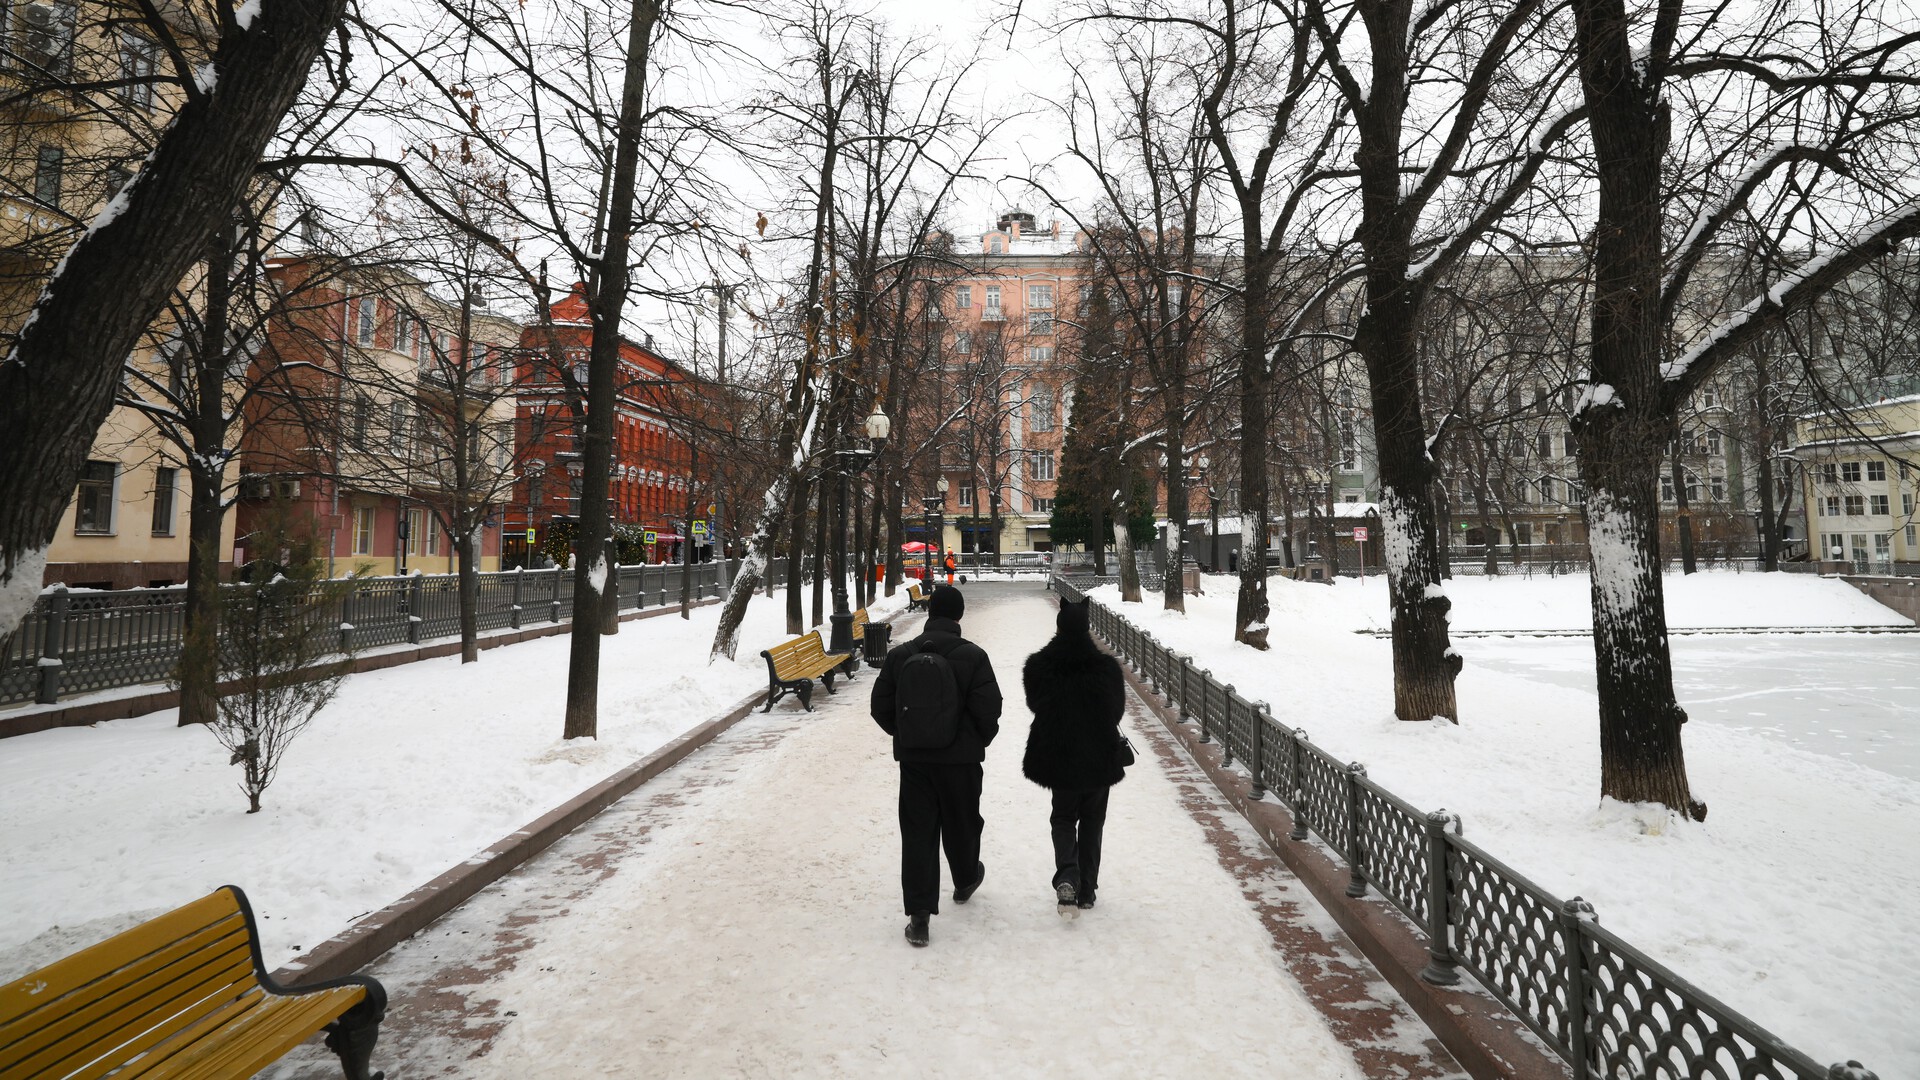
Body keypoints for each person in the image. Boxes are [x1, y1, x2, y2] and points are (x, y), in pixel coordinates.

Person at [870, 584, 1003, 947]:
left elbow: (879, 706)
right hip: (961, 762)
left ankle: (919, 917)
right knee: (963, 822)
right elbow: (989, 709)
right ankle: (964, 881)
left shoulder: (902, 656)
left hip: (916, 763)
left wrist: (906, 735)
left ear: (931, 614)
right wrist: (975, 742)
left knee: (917, 833)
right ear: (958, 616)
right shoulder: (973, 656)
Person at [1021, 596, 1127, 914]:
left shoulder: (1039, 665)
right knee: (1093, 820)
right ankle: (1088, 891)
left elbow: (1035, 704)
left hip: (1059, 753)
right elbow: (1116, 712)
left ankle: (1068, 875)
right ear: (1087, 627)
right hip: (1098, 755)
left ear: (1059, 626)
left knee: (1064, 817)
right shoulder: (1106, 668)